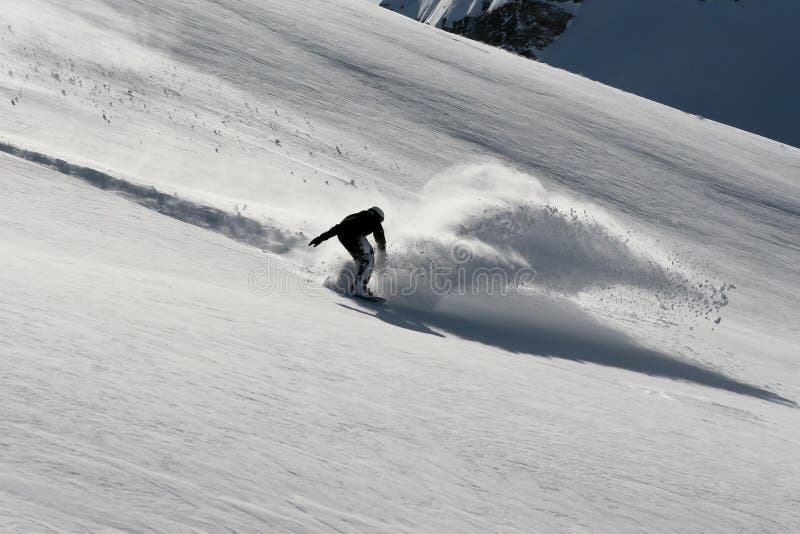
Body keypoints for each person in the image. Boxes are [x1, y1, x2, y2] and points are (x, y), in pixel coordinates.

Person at [308, 207, 386, 297]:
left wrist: (321, 238)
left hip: (343, 236)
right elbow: (380, 236)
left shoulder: (355, 216)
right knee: (369, 257)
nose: (380, 223)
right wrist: (382, 252)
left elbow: (339, 227)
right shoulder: (374, 218)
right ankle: (359, 286)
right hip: (354, 235)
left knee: (360, 259)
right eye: (380, 221)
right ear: (379, 217)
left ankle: (349, 283)